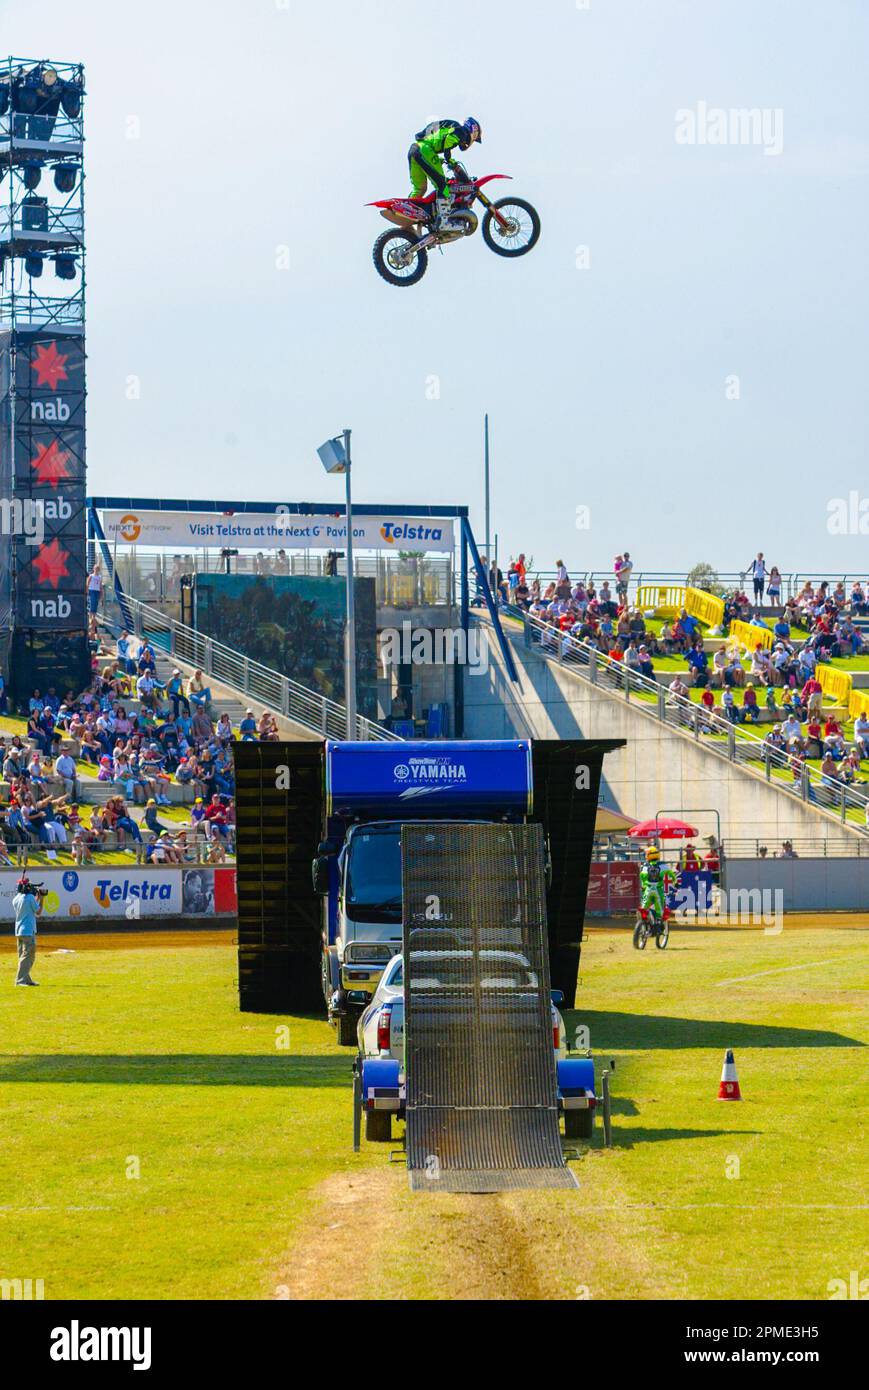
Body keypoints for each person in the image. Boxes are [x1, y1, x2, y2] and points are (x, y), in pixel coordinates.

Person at [406, 117, 482, 229]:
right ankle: (443, 221)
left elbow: (434, 136)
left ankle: (407, 212)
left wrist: (439, 159)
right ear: (474, 132)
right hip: (425, 150)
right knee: (442, 186)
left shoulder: (451, 125)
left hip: (415, 149)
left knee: (419, 189)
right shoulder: (461, 131)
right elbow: (448, 141)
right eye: (475, 138)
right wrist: (450, 160)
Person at [13, 876, 44, 986]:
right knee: (29, 955)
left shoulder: (16, 898)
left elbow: (30, 906)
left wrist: (36, 897)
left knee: (23, 956)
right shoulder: (30, 897)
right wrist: (42, 898)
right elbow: (38, 912)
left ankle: (26, 978)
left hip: (19, 930)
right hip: (28, 930)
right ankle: (20, 980)